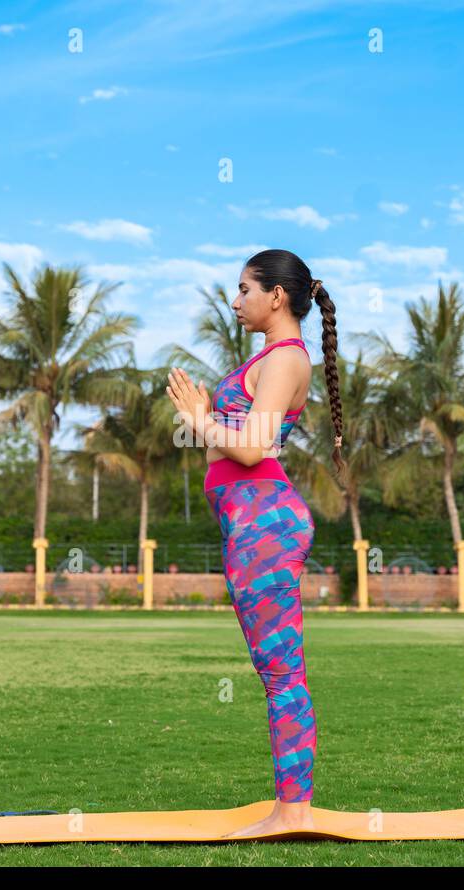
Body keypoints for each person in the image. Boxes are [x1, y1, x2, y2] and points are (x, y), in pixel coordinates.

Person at [166, 249, 344, 838]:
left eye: (244, 289)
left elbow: (251, 448)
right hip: (250, 524)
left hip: (265, 524)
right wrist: (203, 418)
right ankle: (290, 806)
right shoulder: (269, 357)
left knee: (282, 676)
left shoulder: (287, 358)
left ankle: (293, 811)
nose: (236, 300)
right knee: (277, 674)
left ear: (277, 296)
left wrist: (198, 416)